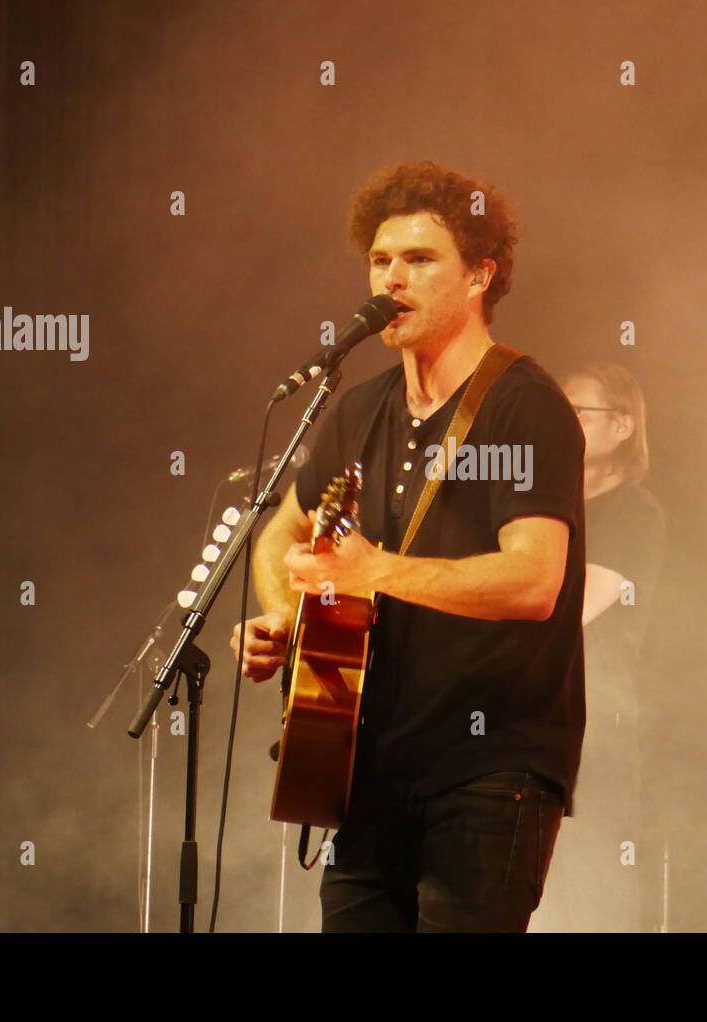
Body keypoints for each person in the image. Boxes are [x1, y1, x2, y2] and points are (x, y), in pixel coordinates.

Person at [230, 160, 586, 932]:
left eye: (420, 260)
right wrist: (292, 622)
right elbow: (276, 536)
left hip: (487, 772)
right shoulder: (360, 409)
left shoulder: (524, 404)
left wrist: (375, 572)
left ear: (479, 276)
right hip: (367, 766)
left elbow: (534, 581)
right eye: (381, 260)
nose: (392, 277)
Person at [530, 364, 665, 931]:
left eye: (578, 412)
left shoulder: (634, 513)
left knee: (589, 891)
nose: (562, 423)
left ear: (623, 426)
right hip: (527, 727)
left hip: (592, 730)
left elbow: (568, 611)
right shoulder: (538, 508)